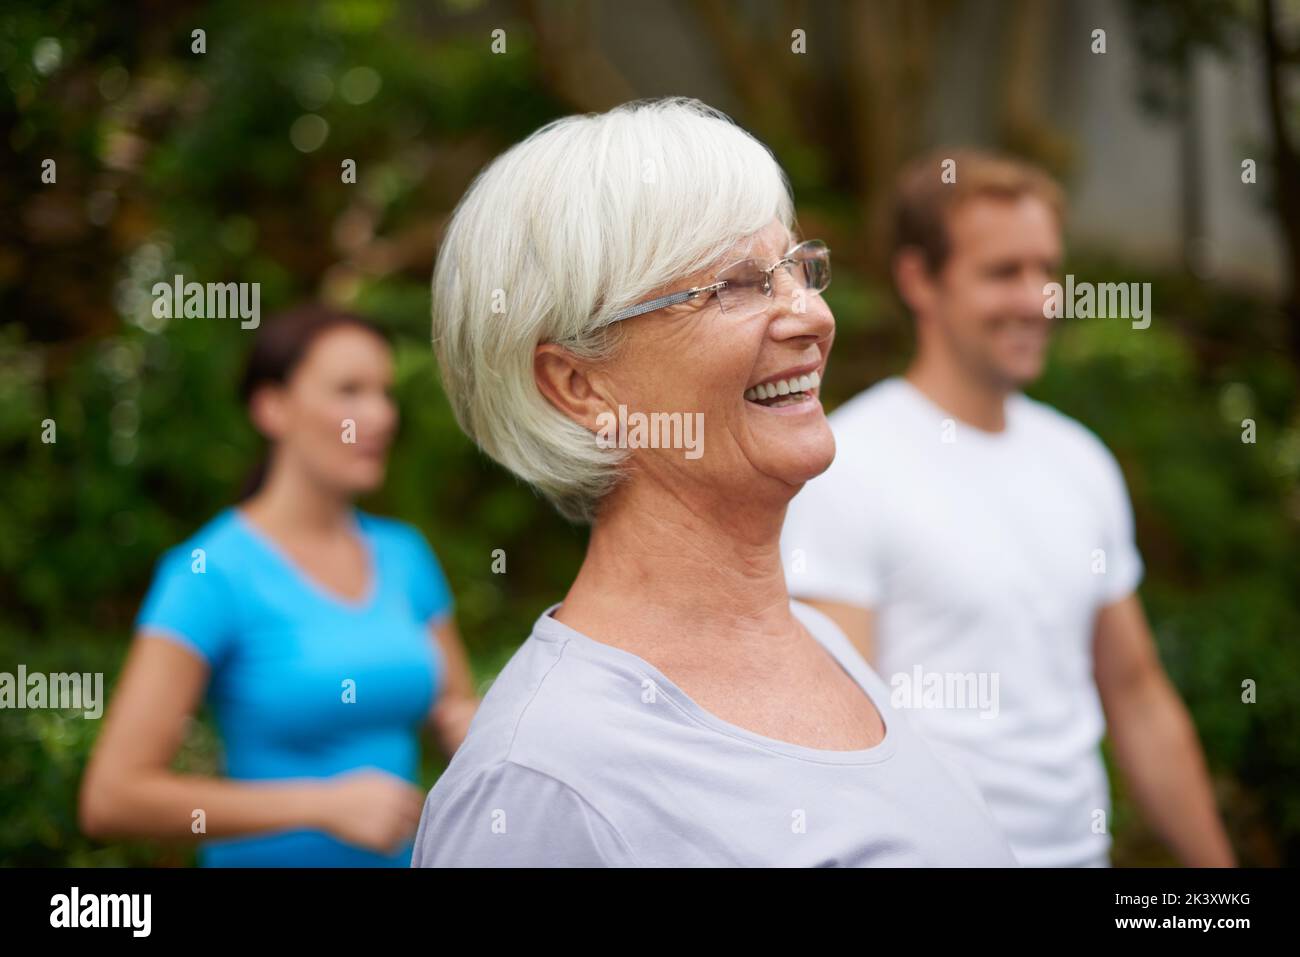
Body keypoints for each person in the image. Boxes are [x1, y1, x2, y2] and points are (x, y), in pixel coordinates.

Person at [410, 98, 1019, 867]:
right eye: (734, 286)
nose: (811, 316)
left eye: (797, 268)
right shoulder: (538, 785)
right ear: (576, 386)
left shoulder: (823, 642)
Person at [781, 150, 1236, 867]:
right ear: (917, 280)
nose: (1038, 298)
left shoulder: (1079, 460)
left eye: (1046, 270)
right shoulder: (845, 466)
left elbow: (1139, 696)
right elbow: (838, 736)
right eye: (1003, 272)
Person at [79, 304, 479, 866]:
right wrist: (321, 806)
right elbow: (113, 797)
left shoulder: (404, 554)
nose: (382, 415)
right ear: (272, 408)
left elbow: (455, 711)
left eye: (384, 393)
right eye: (349, 390)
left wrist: (475, 729)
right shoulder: (209, 573)